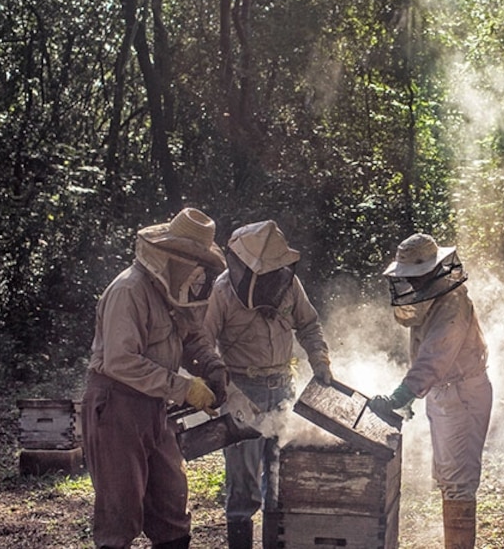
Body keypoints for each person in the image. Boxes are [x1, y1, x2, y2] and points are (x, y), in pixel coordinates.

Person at [81, 207, 229, 549]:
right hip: (116, 406)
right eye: (194, 263)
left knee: (171, 503)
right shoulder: (128, 290)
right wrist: (185, 387)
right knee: (120, 510)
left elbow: (192, 337)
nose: (198, 273)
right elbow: (121, 361)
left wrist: (212, 366)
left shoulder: (172, 291)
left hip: (155, 406)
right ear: (173, 257)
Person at [203, 220, 333, 549]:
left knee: (281, 479)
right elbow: (203, 346)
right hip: (242, 390)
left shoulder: (288, 283)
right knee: (243, 488)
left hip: (283, 388)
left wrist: (320, 360)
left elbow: (308, 324)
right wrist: (227, 391)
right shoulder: (222, 290)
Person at [368, 233, 492, 549]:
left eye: (416, 274)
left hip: (460, 394)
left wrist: (401, 395)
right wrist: (412, 395)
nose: (411, 281)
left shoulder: (452, 302)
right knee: (449, 480)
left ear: (433, 270)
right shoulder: (432, 300)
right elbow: (425, 354)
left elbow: (435, 356)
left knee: (458, 483)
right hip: (445, 392)